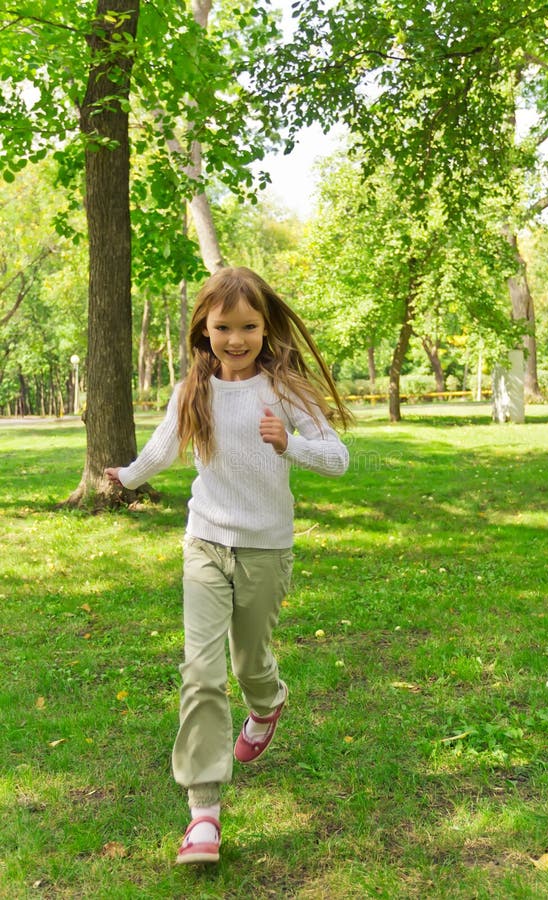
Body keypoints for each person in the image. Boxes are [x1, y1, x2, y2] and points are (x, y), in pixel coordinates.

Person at [105, 266, 350, 865]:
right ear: (204, 328)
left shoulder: (284, 389)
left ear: (266, 328)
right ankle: (204, 812)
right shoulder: (194, 387)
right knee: (201, 669)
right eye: (223, 327)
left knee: (248, 663)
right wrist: (128, 476)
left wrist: (290, 445)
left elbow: (339, 459)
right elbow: (166, 441)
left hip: (266, 546)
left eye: (247, 326)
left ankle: (267, 704)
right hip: (206, 542)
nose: (235, 339)